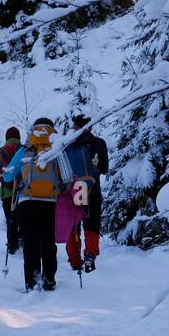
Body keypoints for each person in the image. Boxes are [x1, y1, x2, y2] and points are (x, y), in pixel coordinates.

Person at [3, 118, 72, 291]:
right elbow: (68, 178)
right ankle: (49, 279)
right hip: (49, 204)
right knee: (48, 241)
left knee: (30, 243)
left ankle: (32, 281)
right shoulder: (56, 149)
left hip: (26, 203)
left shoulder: (25, 150)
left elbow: (7, 177)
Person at [68, 114, 110, 273]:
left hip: (74, 190)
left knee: (74, 224)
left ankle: (74, 260)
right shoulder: (98, 143)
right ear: (90, 126)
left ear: (75, 127)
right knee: (92, 223)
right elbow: (104, 169)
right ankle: (90, 254)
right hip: (93, 189)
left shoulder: (68, 144)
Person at [0, 126, 23, 257]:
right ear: (18, 137)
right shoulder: (24, 150)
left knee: (11, 219)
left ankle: (12, 245)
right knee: (23, 219)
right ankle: (23, 240)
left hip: (7, 193)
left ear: (6, 138)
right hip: (22, 192)